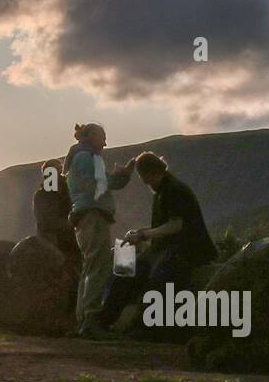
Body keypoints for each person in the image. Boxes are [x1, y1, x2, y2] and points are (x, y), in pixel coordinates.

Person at [100, 151, 216, 334]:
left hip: (185, 250)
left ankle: (138, 328)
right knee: (124, 274)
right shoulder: (165, 190)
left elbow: (176, 225)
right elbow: (166, 225)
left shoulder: (173, 190)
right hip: (165, 249)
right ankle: (105, 320)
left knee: (155, 283)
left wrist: (144, 235)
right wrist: (141, 233)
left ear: (149, 174)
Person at [64, 123, 134, 339]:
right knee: (98, 267)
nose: (105, 142)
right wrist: (123, 175)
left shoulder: (77, 158)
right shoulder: (88, 157)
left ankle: (82, 319)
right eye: (102, 137)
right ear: (92, 136)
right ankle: (91, 320)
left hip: (84, 217)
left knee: (89, 267)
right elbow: (103, 183)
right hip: (94, 217)